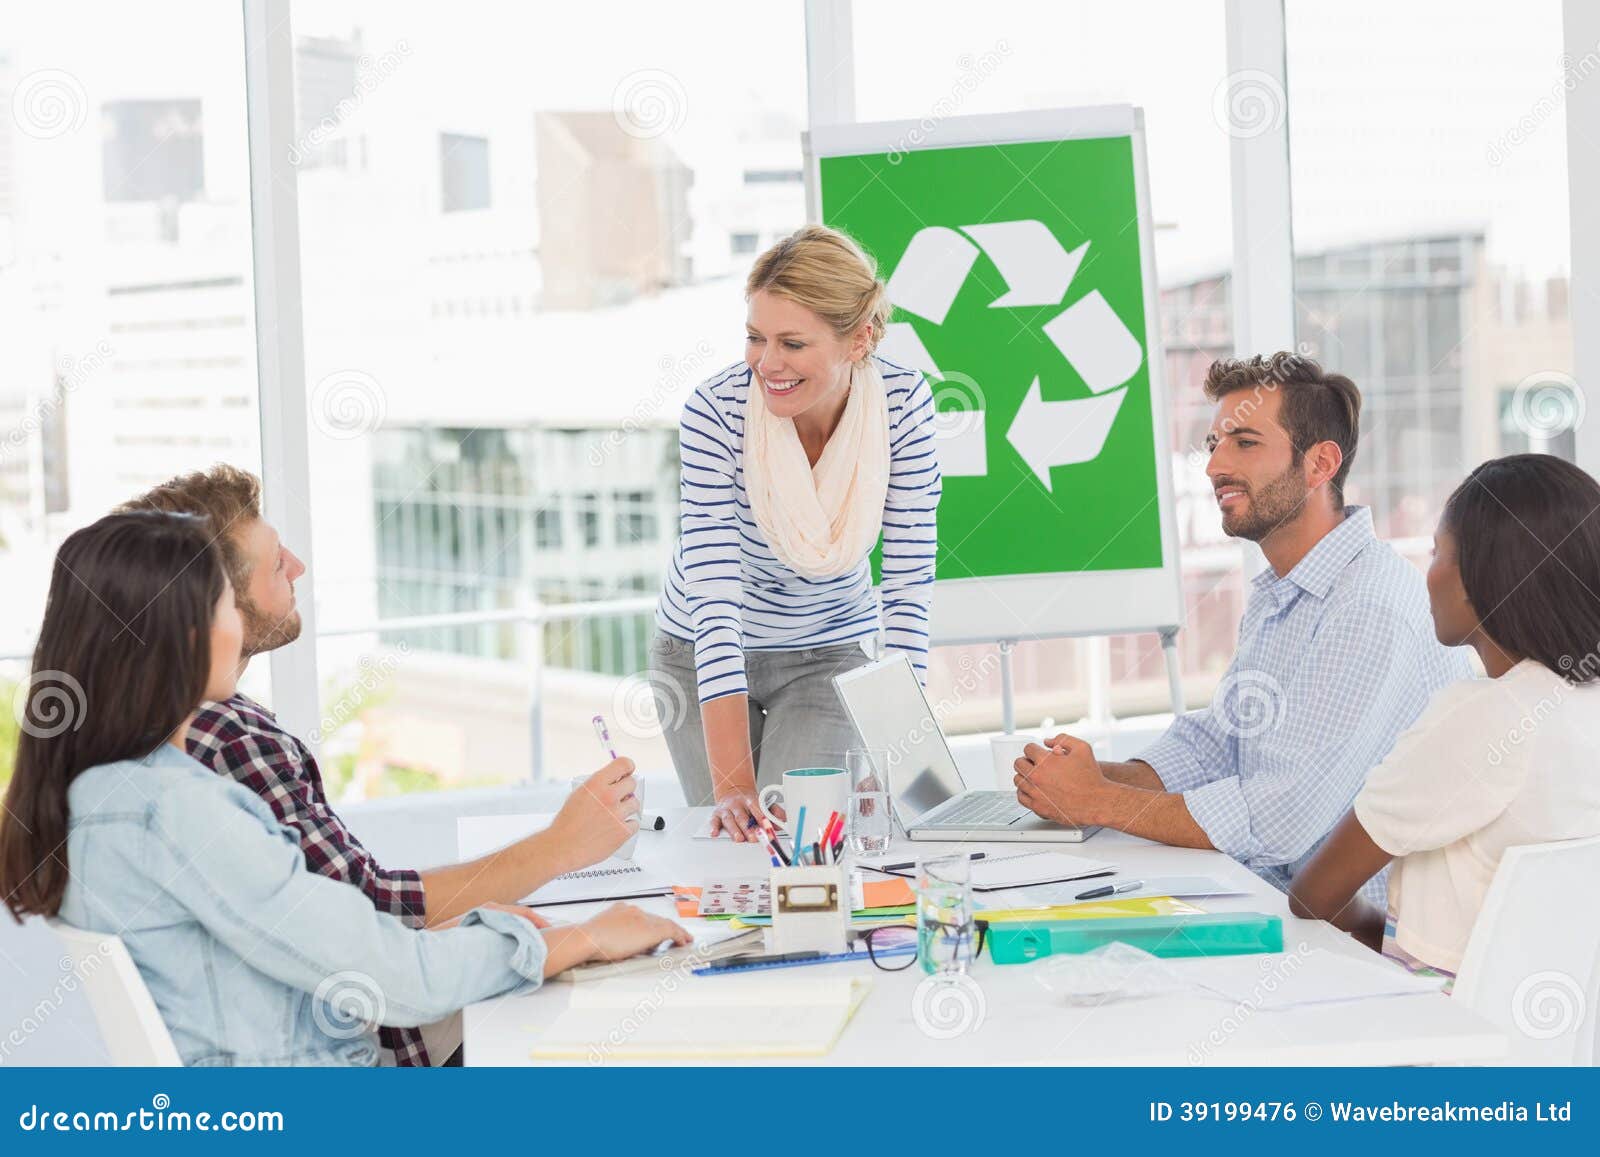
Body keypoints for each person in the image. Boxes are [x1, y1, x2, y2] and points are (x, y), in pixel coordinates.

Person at [0, 511, 687, 1066]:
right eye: (223, 603)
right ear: (185, 636)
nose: (237, 620)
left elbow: (336, 937)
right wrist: (580, 938)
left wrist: (502, 929)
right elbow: (395, 978)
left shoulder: (95, 793)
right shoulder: (174, 809)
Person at [1013, 353, 1469, 903]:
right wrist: (1088, 780)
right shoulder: (1284, 589)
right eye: (1213, 445)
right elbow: (1222, 745)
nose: (1214, 467)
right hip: (1277, 897)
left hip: (1357, 939)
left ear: (1320, 463)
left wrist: (1096, 802)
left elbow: (1278, 817)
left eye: (1245, 443)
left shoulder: (1368, 605)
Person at [650, 225, 942, 841]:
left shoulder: (904, 406)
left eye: (792, 342)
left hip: (829, 651)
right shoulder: (715, 413)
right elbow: (716, 600)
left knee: (804, 840)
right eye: (755, 338)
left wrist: (899, 759)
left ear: (859, 339)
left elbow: (908, 587)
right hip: (700, 654)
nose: (767, 363)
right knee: (738, 843)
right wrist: (732, 788)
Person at [1288, 454, 1600, 982]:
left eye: (1437, 551)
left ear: (1479, 577)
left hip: (1451, 1038)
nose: (1426, 573)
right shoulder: (1580, 702)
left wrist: (1394, 946)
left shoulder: (1484, 715)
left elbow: (1313, 895)